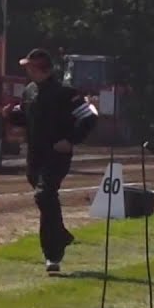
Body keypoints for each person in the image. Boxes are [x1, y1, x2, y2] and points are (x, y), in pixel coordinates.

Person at [6, 48, 99, 275]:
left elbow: (89, 117)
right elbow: (25, 115)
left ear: (41, 69)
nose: (26, 70)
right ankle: (61, 235)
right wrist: (10, 114)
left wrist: (71, 140)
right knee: (46, 201)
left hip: (56, 156)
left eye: (29, 66)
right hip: (34, 156)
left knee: (45, 195)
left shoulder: (65, 93)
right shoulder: (29, 91)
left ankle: (52, 256)